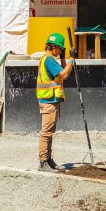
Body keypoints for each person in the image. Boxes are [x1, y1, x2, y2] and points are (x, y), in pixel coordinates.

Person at [36, 32, 76, 172]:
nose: (60, 51)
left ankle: (48, 159)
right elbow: (64, 74)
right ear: (54, 47)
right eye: (60, 49)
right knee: (46, 132)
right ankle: (43, 161)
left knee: (50, 132)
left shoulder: (49, 58)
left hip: (51, 100)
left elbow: (63, 72)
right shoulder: (48, 60)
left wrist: (65, 58)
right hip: (48, 101)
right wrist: (71, 59)